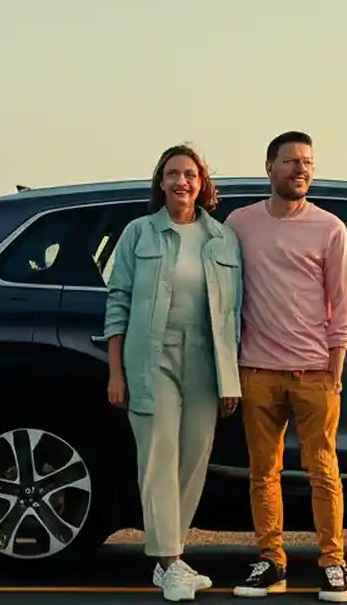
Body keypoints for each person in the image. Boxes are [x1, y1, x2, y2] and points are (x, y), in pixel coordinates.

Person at [103, 143, 244, 602]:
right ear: (160, 182)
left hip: (206, 360)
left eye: (190, 174)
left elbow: (233, 313)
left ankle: (173, 559)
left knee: (193, 458)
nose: (181, 181)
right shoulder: (138, 234)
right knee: (159, 455)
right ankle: (168, 561)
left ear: (203, 183)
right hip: (150, 358)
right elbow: (118, 302)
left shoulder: (223, 240)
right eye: (172, 174)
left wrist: (230, 379)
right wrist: (115, 373)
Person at [225, 131, 347, 603]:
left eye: (307, 162)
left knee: (323, 470)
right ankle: (271, 560)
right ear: (269, 167)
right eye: (290, 161)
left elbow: (343, 305)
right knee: (263, 472)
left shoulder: (329, 228)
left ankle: (333, 561)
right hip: (257, 370)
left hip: (314, 372)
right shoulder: (240, 224)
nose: (300, 169)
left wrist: (335, 367)